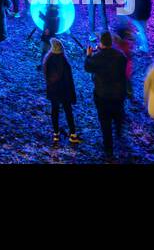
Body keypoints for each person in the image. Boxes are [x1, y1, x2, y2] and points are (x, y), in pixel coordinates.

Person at [84, 31, 129, 159]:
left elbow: (87, 67)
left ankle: (109, 150)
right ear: (111, 42)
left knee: (105, 123)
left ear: (101, 43)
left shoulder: (96, 58)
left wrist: (89, 55)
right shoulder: (120, 56)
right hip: (118, 94)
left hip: (102, 95)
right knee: (118, 114)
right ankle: (119, 133)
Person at [42, 39, 80, 144]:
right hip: (65, 92)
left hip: (53, 91)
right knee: (68, 112)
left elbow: (47, 78)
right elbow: (69, 81)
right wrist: (73, 96)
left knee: (54, 111)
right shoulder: (64, 62)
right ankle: (73, 135)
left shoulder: (47, 61)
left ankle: (56, 134)